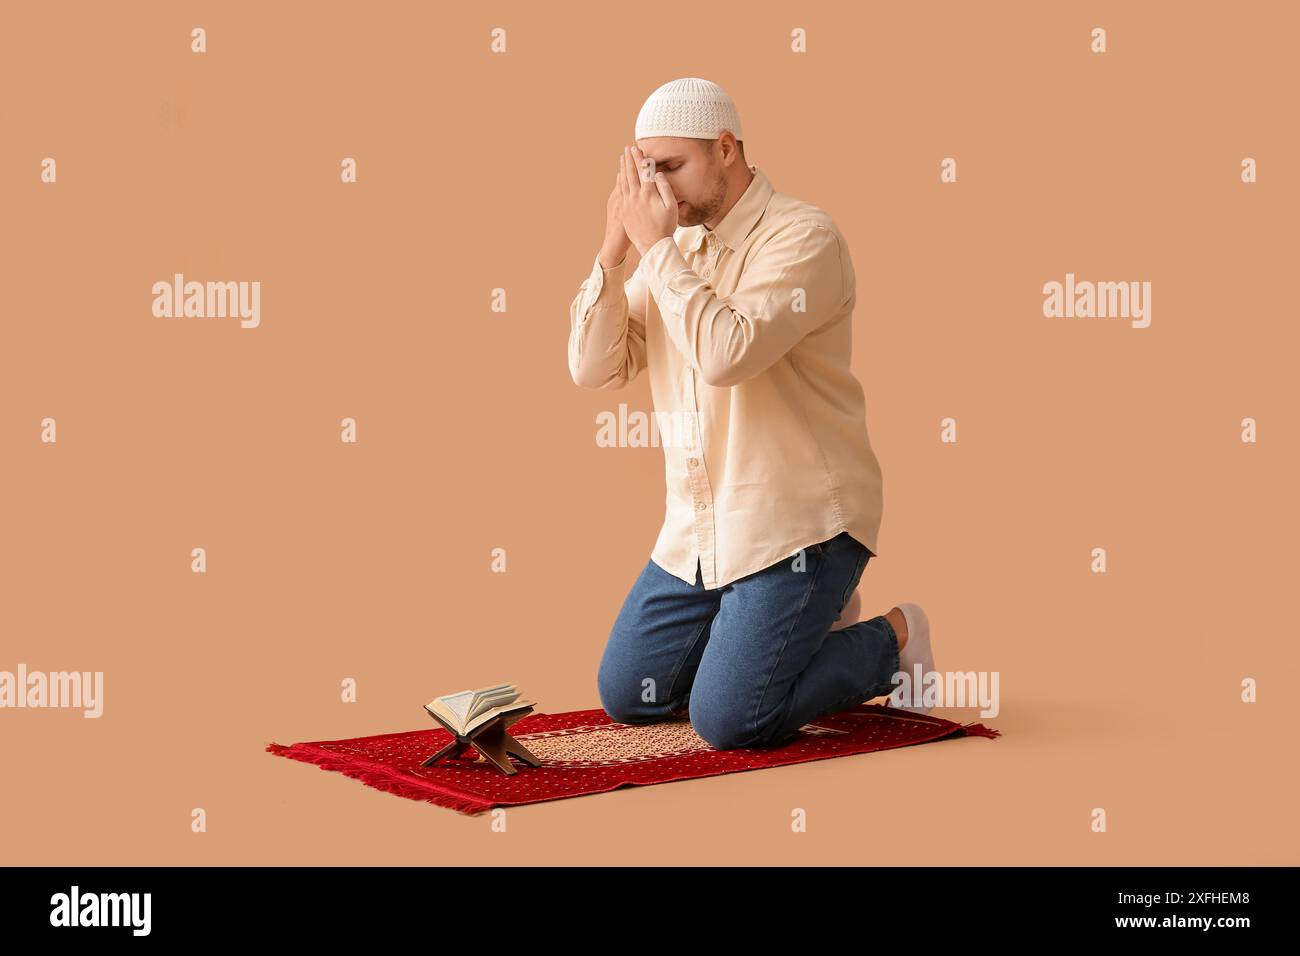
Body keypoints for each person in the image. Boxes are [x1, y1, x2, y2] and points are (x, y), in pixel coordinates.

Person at [567, 77, 937, 750]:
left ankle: (892, 638)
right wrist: (614, 251)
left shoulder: (802, 238)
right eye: (646, 172)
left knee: (730, 720)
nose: (659, 192)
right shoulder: (666, 255)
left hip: (800, 527)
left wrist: (656, 251)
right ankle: (798, 632)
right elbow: (595, 369)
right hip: (701, 531)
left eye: (673, 167)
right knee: (628, 695)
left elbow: (724, 354)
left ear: (728, 149)